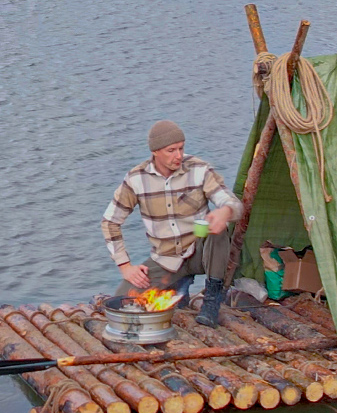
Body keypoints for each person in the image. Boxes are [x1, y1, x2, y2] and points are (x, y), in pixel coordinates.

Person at [103, 120, 243, 326]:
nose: (178, 155)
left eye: (181, 148)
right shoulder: (136, 179)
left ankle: (212, 300)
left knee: (218, 230)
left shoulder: (199, 169)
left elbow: (234, 204)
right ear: (156, 152)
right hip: (165, 259)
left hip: (201, 253)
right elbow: (110, 222)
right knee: (123, 301)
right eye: (171, 150)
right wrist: (125, 266)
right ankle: (178, 288)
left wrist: (225, 211)